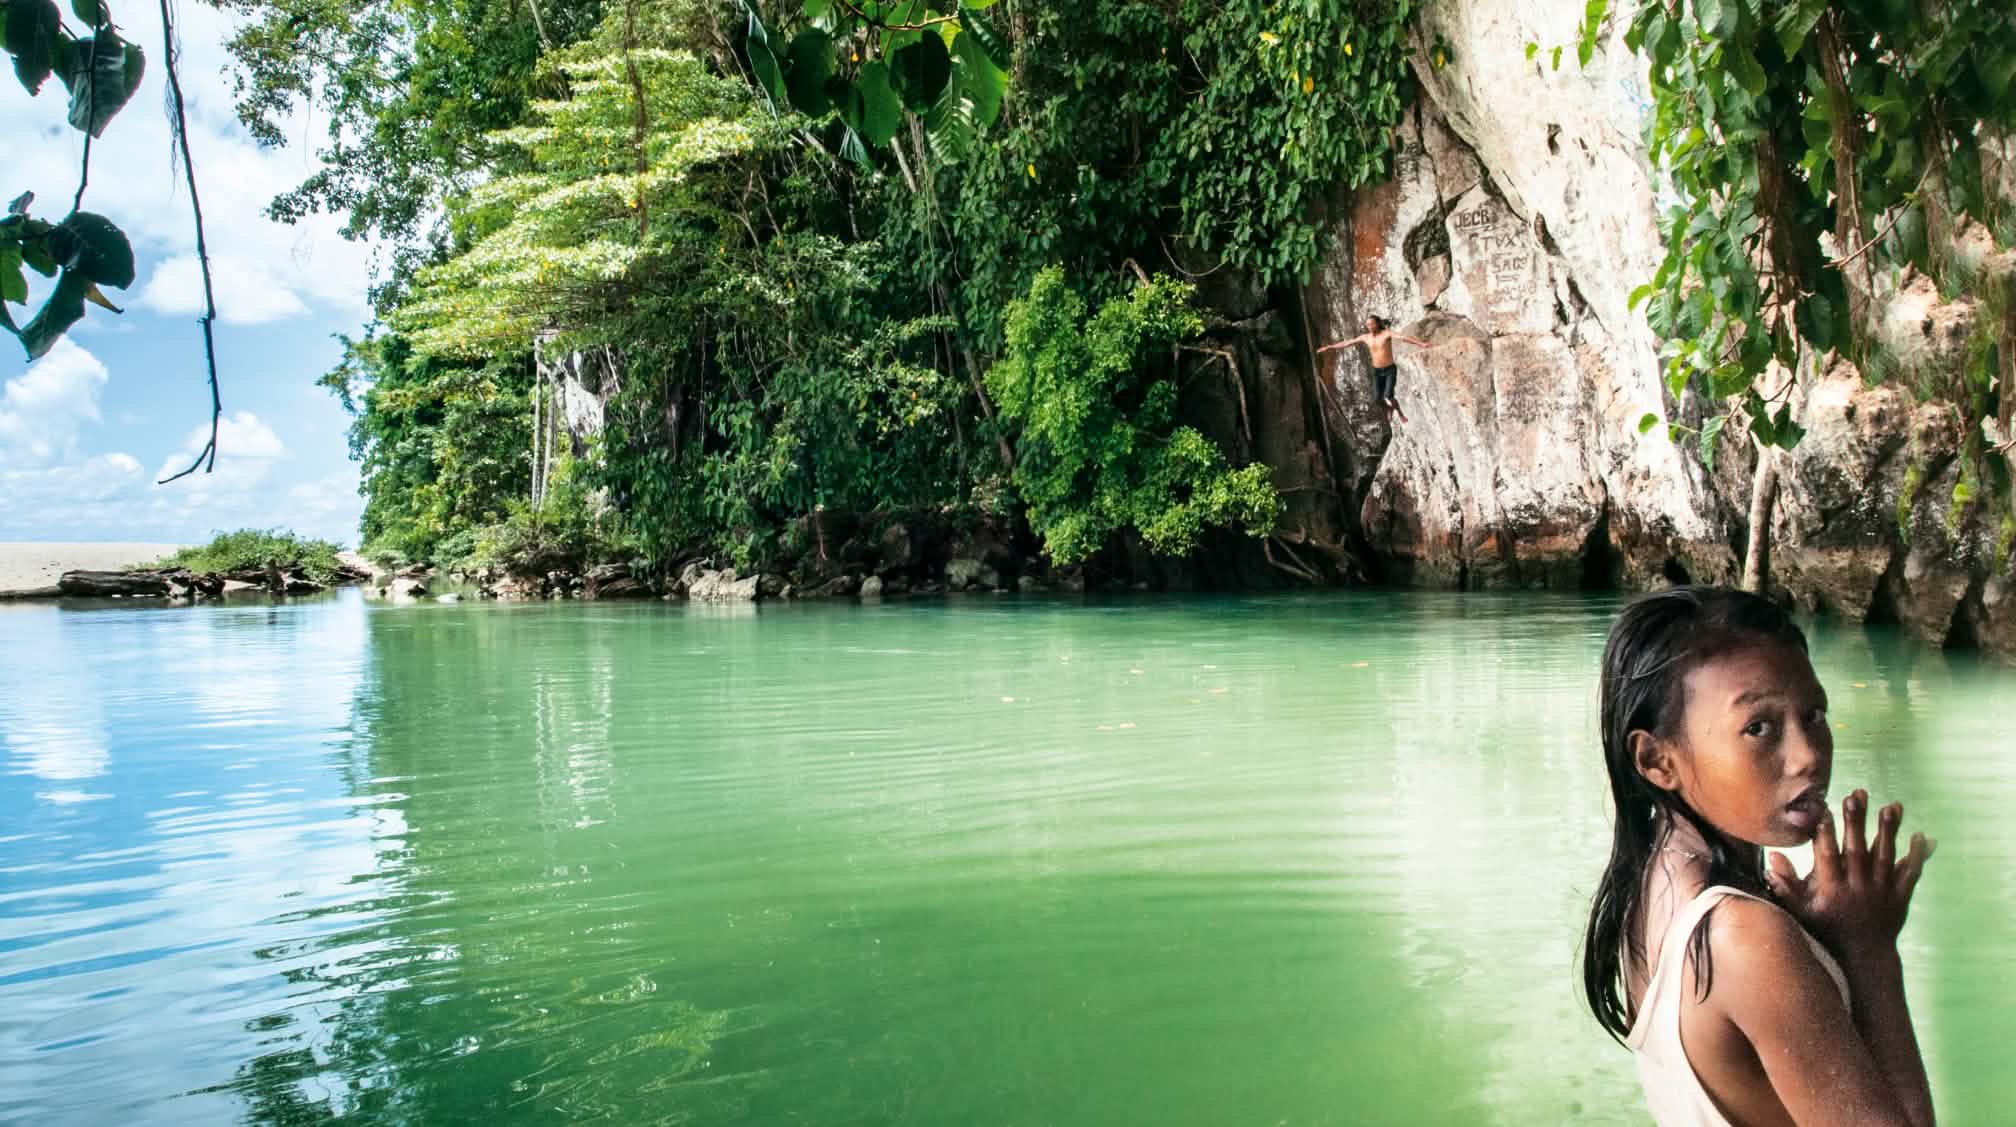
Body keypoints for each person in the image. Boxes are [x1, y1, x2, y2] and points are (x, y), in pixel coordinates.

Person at [1584, 587, 1937, 1127]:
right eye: (1758, 728)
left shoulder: (1650, 881)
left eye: (1813, 715)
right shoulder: (1745, 938)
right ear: (1657, 761)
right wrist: (1870, 952)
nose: (1808, 755)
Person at [1316, 315, 1432, 424]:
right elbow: (1348, 342)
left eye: (1372, 324)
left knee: (1388, 395)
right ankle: (1389, 408)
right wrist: (1330, 347)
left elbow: (1403, 338)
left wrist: (1421, 344)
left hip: (1389, 370)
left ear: (1378, 324)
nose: (1370, 327)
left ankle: (1400, 412)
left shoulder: (1386, 334)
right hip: (1377, 371)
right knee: (1377, 399)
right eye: (1368, 325)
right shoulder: (1366, 337)